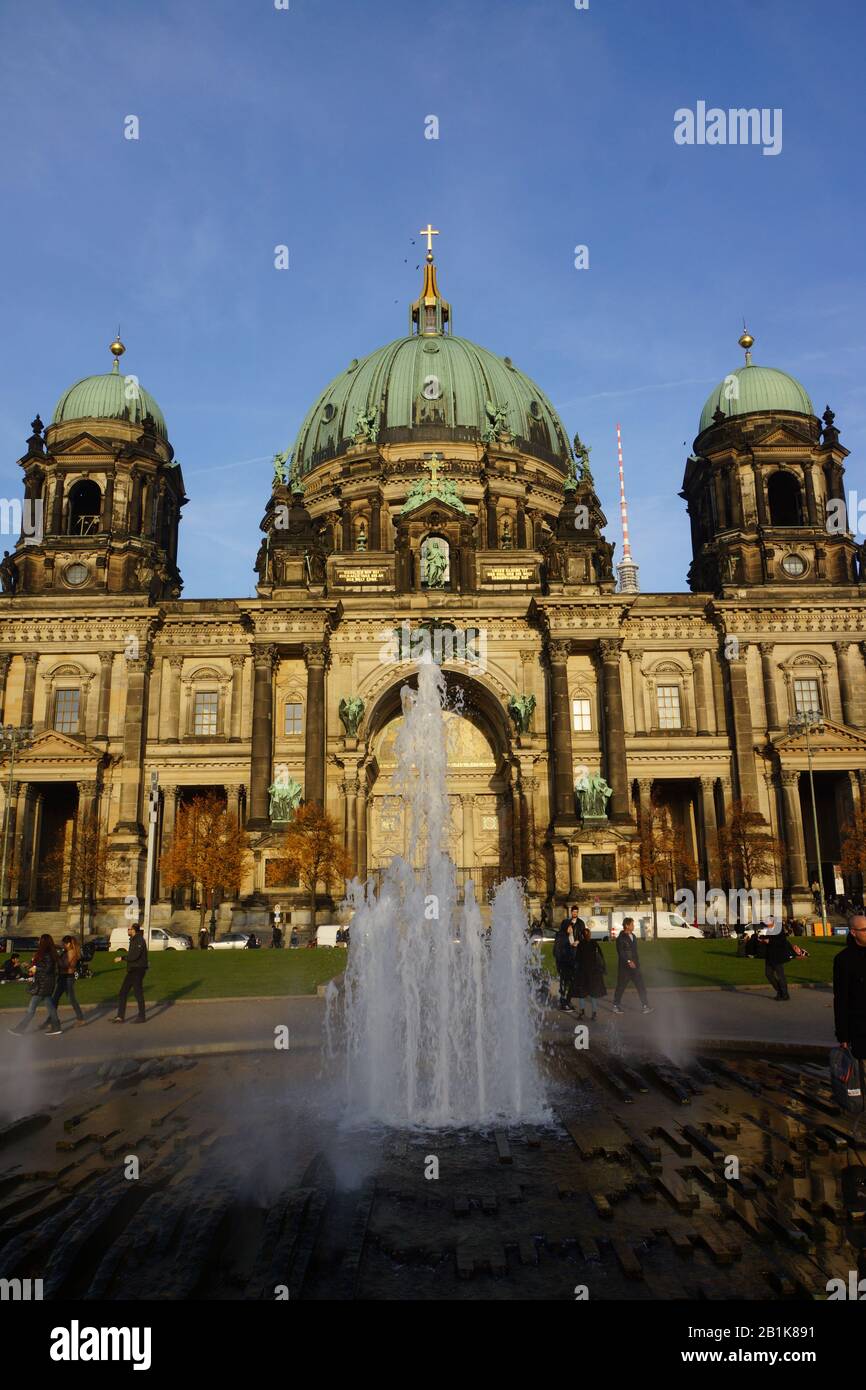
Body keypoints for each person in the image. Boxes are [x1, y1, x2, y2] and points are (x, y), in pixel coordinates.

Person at [834, 912, 866, 1104]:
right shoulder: (844, 960)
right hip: (861, 1026)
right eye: (864, 930)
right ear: (853, 932)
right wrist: (843, 1035)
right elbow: (841, 999)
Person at [7, 935, 62, 1036]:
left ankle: (20, 1029)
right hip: (45, 983)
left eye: (40, 940)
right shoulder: (48, 953)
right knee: (50, 1007)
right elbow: (44, 967)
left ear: (44, 942)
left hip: (43, 984)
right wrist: (31, 967)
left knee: (31, 1009)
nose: (39, 941)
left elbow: (48, 968)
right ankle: (56, 1026)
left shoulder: (47, 954)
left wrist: (36, 969)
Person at [612, 917, 653, 1015]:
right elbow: (621, 952)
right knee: (621, 987)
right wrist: (629, 961)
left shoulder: (633, 936)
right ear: (627, 925)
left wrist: (636, 963)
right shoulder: (620, 938)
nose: (633, 926)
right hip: (625, 968)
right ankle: (616, 1005)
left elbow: (634, 952)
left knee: (641, 986)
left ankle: (645, 1006)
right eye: (632, 924)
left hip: (635, 968)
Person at [113, 923, 148, 1024]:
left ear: (133, 930)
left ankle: (142, 1016)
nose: (127, 931)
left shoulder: (139, 940)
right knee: (123, 992)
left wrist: (122, 958)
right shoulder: (133, 940)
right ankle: (120, 1016)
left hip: (138, 970)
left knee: (138, 993)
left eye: (129, 929)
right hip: (132, 970)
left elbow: (134, 956)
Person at [51, 935, 85, 1026]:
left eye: (64, 944)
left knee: (62, 999)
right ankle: (51, 1019)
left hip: (67, 978)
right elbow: (60, 948)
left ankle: (80, 1018)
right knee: (57, 998)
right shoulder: (68, 951)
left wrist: (57, 958)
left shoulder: (71, 953)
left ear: (69, 943)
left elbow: (65, 965)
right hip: (64, 977)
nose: (63, 945)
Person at [574, 925, 606, 1020]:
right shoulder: (594, 944)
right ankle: (594, 1013)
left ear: (583, 936)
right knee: (593, 994)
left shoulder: (581, 945)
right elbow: (600, 956)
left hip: (583, 972)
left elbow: (577, 959)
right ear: (590, 935)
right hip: (593, 972)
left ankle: (582, 1011)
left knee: (582, 994)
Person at [553, 918, 576, 1012]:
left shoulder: (566, 936)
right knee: (565, 983)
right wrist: (563, 959)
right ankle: (564, 1003)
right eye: (570, 927)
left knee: (570, 983)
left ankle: (567, 1001)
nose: (571, 929)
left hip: (569, 963)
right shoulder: (561, 937)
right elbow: (557, 952)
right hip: (564, 964)